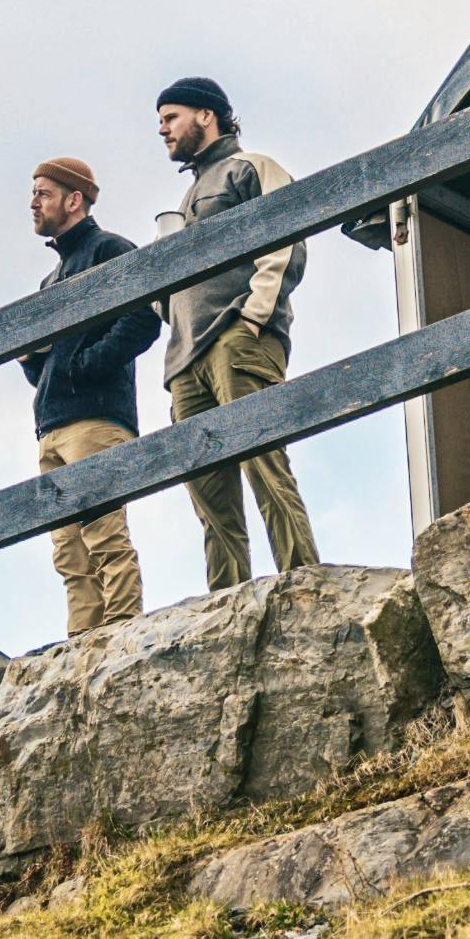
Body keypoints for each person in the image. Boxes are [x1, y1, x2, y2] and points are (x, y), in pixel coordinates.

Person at [151, 76, 319, 590]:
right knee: (209, 497)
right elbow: (167, 289)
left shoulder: (251, 168)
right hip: (184, 361)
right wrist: (168, 310)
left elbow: (286, 238)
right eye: (160, 122)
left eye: (170, 117)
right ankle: (227, 603)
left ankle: (305, 582)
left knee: (265, 463)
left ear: (207, 115)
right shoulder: (184, 197)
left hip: (236, 338)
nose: (162, 130)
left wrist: (253, 317)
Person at [20, 156, 157, 635]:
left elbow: (143, 320)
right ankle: (82, 644)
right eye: (33, 193)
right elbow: (43, 367)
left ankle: (121, 632)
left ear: (73, 199)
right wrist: (31, 360)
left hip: (97, 418)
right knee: (67, 550)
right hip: (51, 424)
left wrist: (82, 367)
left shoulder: (109, 250)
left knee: (103, 534)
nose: (32, 202)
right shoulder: (50, 280)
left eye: (42, 193)